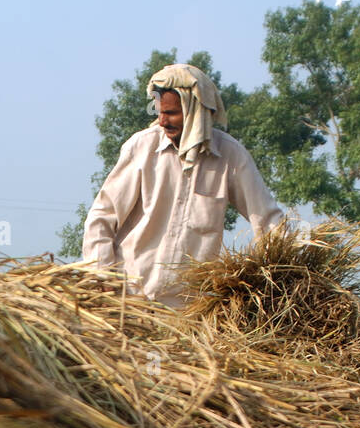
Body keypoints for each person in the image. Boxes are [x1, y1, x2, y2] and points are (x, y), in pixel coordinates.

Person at [81, 63, 283, 306]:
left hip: (186, 312)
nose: (162, 121)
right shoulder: (142, 148)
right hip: (130, 301)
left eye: (172, 113)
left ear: (195, 112)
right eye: (159, 112)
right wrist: (102, 276)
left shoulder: (231, 157)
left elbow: (269, 221)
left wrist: (293, 273)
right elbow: (102, 217)